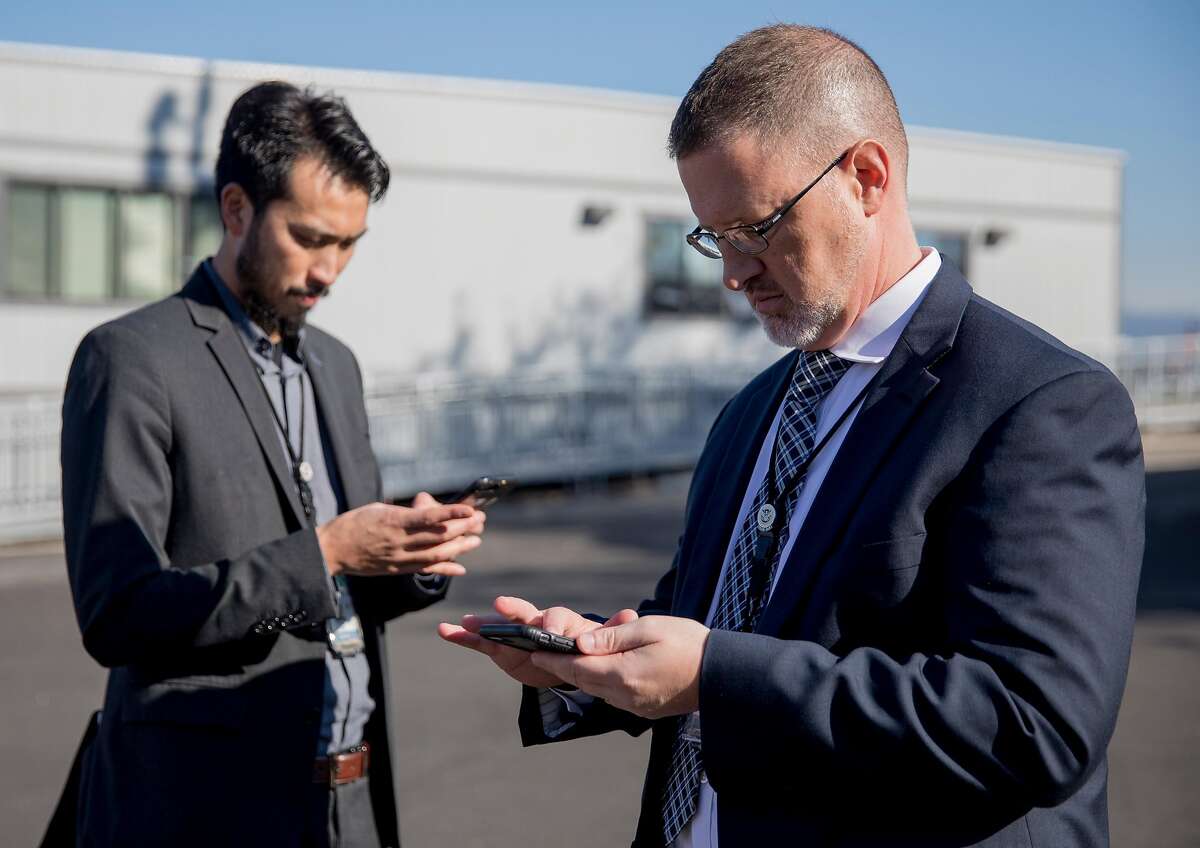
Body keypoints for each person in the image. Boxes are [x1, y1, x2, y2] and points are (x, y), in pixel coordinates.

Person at [439, 24, 1144, 848]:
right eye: (713, 238)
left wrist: (713, 674)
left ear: (867, 178)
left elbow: (1034, 723)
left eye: (757, 228)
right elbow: (703, 618)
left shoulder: (1042, 401)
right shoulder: (752, 410)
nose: (733, 273)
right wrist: (585, 664)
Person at [60, 81, 485, 847]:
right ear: (236, 210)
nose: (331, 270)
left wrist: (407, 557)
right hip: (205, 809)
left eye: (350, 243)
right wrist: (326, 551)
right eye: (312, 238)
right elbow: (117, 613)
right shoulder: (131, 360)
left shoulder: (336, 365)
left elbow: (332, 595)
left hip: (353, 800)